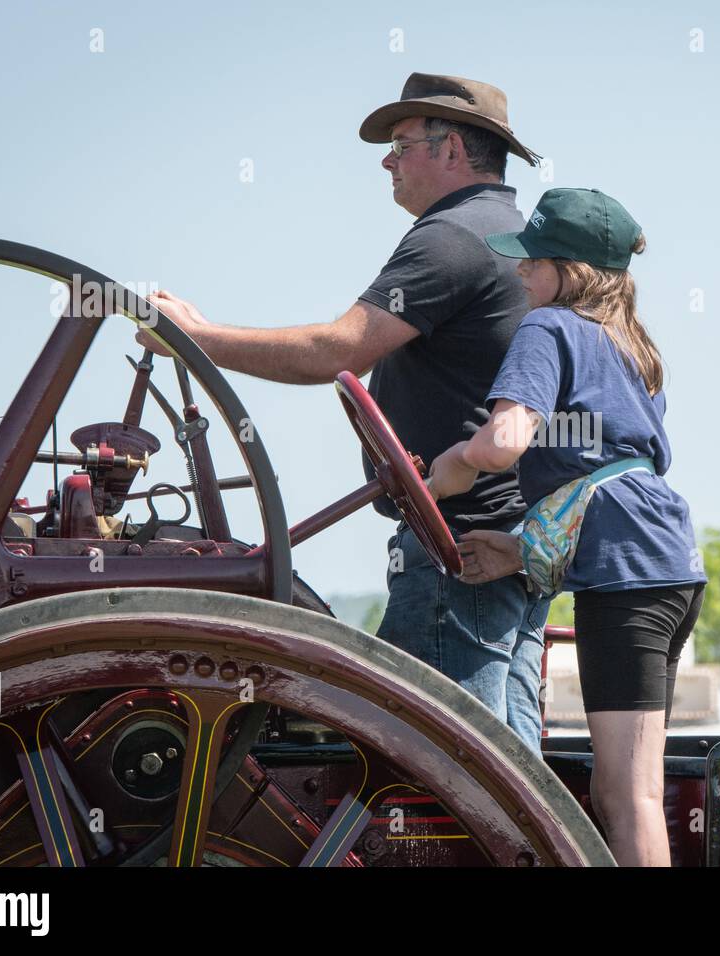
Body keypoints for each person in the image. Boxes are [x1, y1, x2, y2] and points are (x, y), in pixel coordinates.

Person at [134, 73, 552, 751]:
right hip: (505, 543)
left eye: (401, 145)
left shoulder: (452, 237)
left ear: (451, 150)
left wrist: (195, 337)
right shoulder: (517, 239)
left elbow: (336, 351)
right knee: (509, 761)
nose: (387, 162)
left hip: (457, 549)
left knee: (439, 760)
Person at [426, 188, 707, 866]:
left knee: (626, 795)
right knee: (632, 787)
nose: (520, 270)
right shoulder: (633, 348)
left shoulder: (547, 328)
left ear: (570, 272)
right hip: (665, 568)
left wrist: (449, 467)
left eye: (534, 259)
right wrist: (523, 550)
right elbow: (600, 470)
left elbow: (503, 444)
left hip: (626, 581)